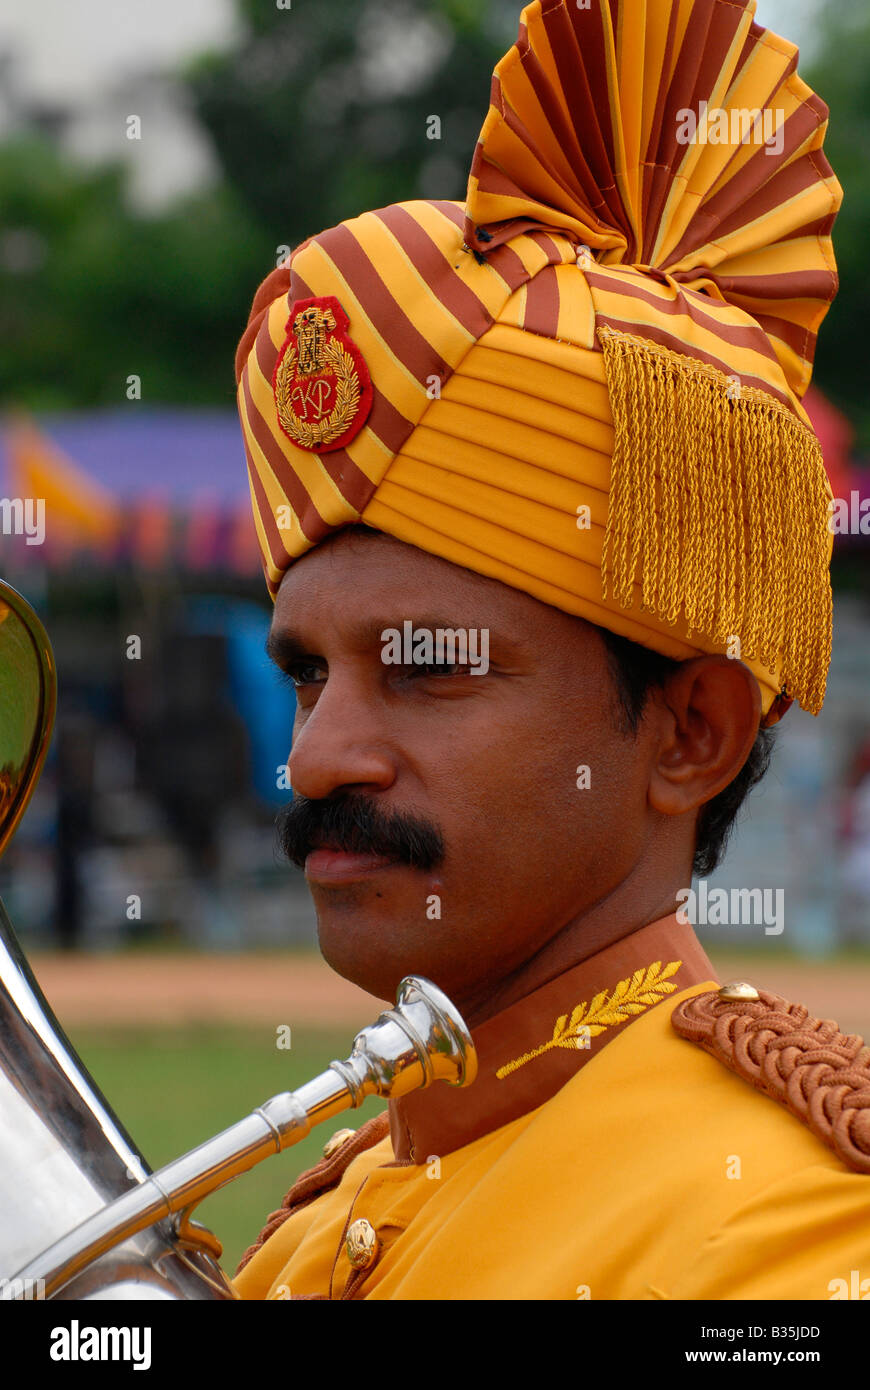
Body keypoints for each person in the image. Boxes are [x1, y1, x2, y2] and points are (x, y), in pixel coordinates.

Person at [230, 0, 870, 1300]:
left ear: (689, 733)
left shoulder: (791, 1235)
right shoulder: (332, 1207)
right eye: (305, 671)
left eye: (423, 665)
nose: (314, 756)